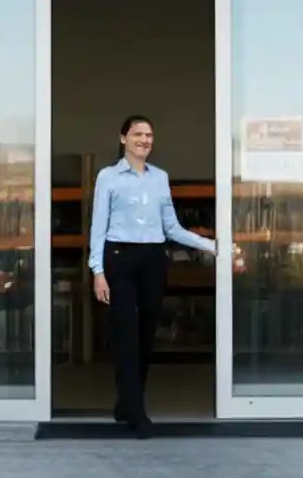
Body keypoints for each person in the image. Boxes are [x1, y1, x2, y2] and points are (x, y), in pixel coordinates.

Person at [88, 115, 216, 438]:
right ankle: (136, 413)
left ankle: (125, 403)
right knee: (126, 337)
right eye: (137, 134)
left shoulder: (160, 178)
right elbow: (98, 227)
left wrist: (210, 245)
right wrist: (97, 271)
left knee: (146, 338)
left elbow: (171, 228)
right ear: (123, 139)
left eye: (149, 135)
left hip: (153, 260)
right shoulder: (108, 177)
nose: (144, 139)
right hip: (119, 259)